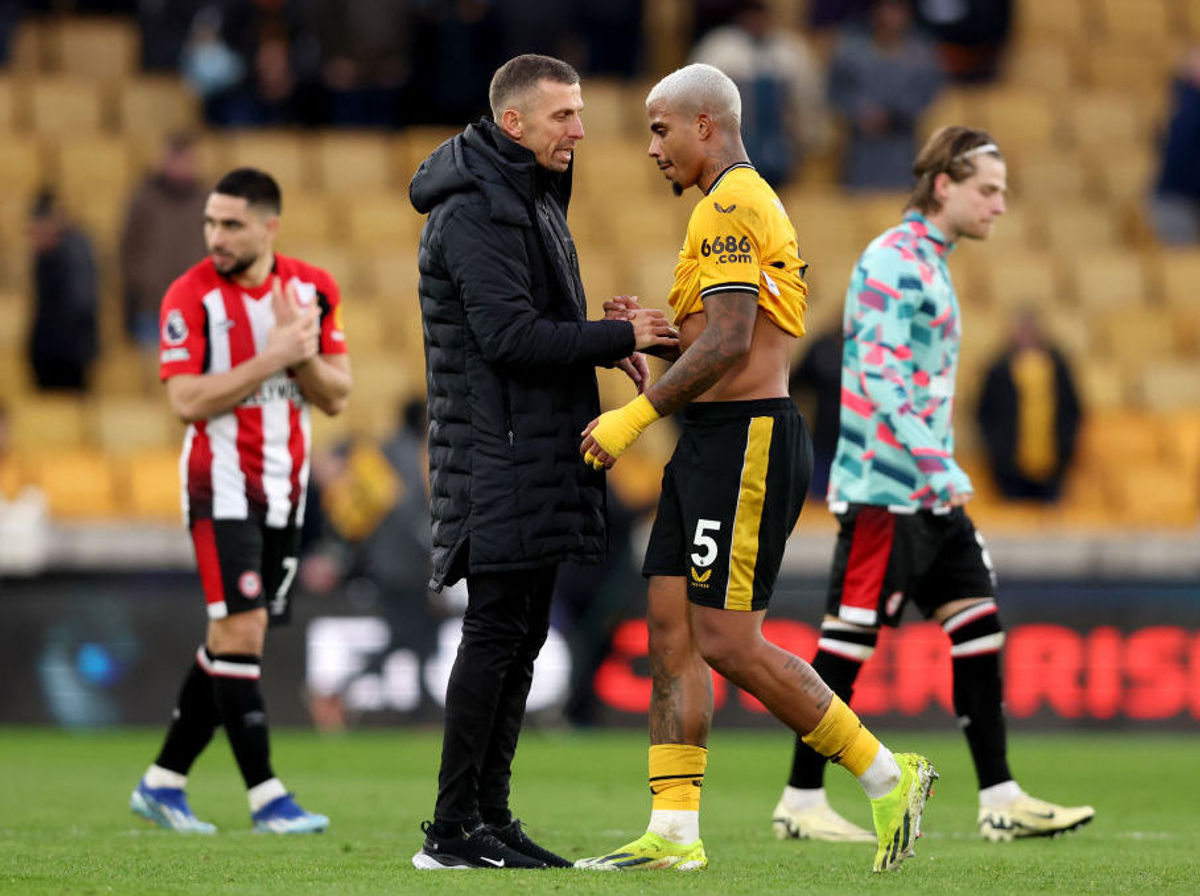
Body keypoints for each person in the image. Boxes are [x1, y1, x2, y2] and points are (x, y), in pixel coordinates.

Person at [574, 63, 936, 875]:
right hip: (711, 440)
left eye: (660, 129)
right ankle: (673, 833)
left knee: (728, 641)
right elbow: (724, 337)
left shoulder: (734, 203)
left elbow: (736, 343)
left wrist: (637, 413)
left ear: (705, 124)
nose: (651, 149)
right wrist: (658, 342)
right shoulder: (720, 209)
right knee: (670, 633)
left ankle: (888, 774)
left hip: (747, 444)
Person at [769, 126, 1095, 845]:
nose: (999, 206)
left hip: (925, 492)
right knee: (846, 644)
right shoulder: (894, 259)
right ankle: (799, 798)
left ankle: (1001, 797)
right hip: (889, 489)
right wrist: (933, 458)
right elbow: (881, 376)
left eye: (1003, 193)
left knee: (977, 626)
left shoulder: (926, 260)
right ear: (943, 184)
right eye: (988, 190)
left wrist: (936, 473)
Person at [407, 53, 679, 870]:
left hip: (530, 449)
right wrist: (622, 338)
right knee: (496, 633)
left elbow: (531, 324)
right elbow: (510, 340)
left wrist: (603, 334)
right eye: (564, 116)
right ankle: (452, 830)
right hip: (499, 453)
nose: (581, 130)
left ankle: (489, 818)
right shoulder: (474, 212)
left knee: (521, 638)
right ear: (515, 122)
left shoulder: (524, 196)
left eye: (581, 112)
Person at [129, 167, 352, 835]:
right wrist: (273, 355)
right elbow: (185, 400)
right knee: (244, 630)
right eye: (209, 223)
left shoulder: (312, 289)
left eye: (229, 224)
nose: (215, 237)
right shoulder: (188, 297)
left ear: (268, 226)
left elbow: (336, 394)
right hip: (219, 487)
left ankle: (162, 782)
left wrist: (300, 357)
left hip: (286, 492)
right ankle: (267, 796)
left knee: (230, 635)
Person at [690, 0, 829, 187]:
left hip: (779, 141)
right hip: (734, 140)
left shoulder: (789, 49)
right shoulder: (720, 48)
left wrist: (808, 136)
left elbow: (807, 97)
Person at [827, 0, 943, 191]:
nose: (889, 17)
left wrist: (894, 115)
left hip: (903, 146)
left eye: (896, 11)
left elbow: (929, 94)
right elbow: (836, 92)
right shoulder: (850, 51)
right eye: (884, 10)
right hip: (861, 147)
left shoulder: (922, 54)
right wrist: (859, 113)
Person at [977, 307, 1082, 502]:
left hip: (1052, 464)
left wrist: (1066, 449)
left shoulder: (1057, 366)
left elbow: (1072, 411)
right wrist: (998, 451)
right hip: (1009, 467)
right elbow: (985, 412)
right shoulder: (999, 368)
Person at [119, 132, 207, 350]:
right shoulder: (144, 199)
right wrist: (138, 286)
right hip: (152, 306)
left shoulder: (207, 201)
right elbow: (128, 247)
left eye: (185, 160)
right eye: (174, 159)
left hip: (194, 307)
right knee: (151, 375)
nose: (180, 166)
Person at [28, 190, 98, 393]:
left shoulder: (72, 255)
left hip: (67, 353)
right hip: (56, 352)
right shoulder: (50, 256)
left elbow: (81, 305)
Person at [1149, 47, 1200, 246]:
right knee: (1185, 266)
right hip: (1177, 199)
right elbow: (1178, 157)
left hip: (1186, 196)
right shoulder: (1186, 111)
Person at [788, 322, 843, 499]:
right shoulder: (824, 350)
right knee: (817, 498)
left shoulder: (869, 354)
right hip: (823, 442)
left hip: (856, 445)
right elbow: (795, 384)